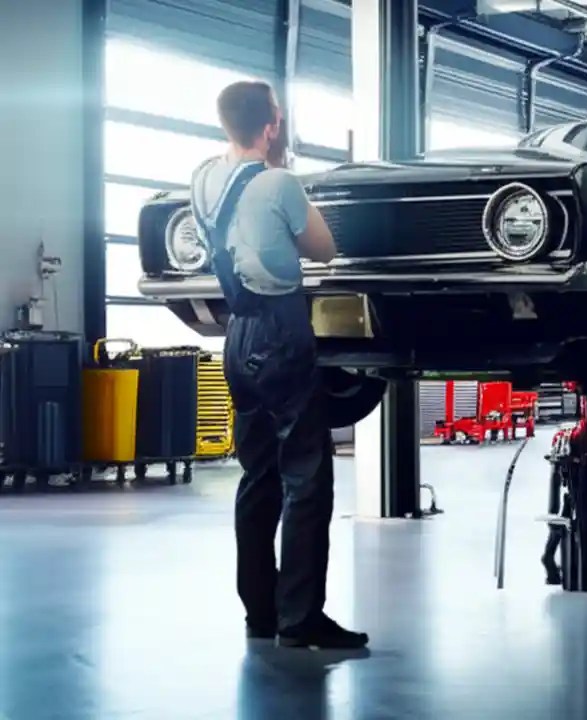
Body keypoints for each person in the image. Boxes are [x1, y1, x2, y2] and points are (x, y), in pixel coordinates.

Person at [191, 81, 368, 648]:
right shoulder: (279, 183)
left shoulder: (203, 180)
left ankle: (260, 611)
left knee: (257, 474)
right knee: (307, 477)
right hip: (281, 331)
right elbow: (324, 249)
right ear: (270, 126)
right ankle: (300, 619)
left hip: (236, 334)